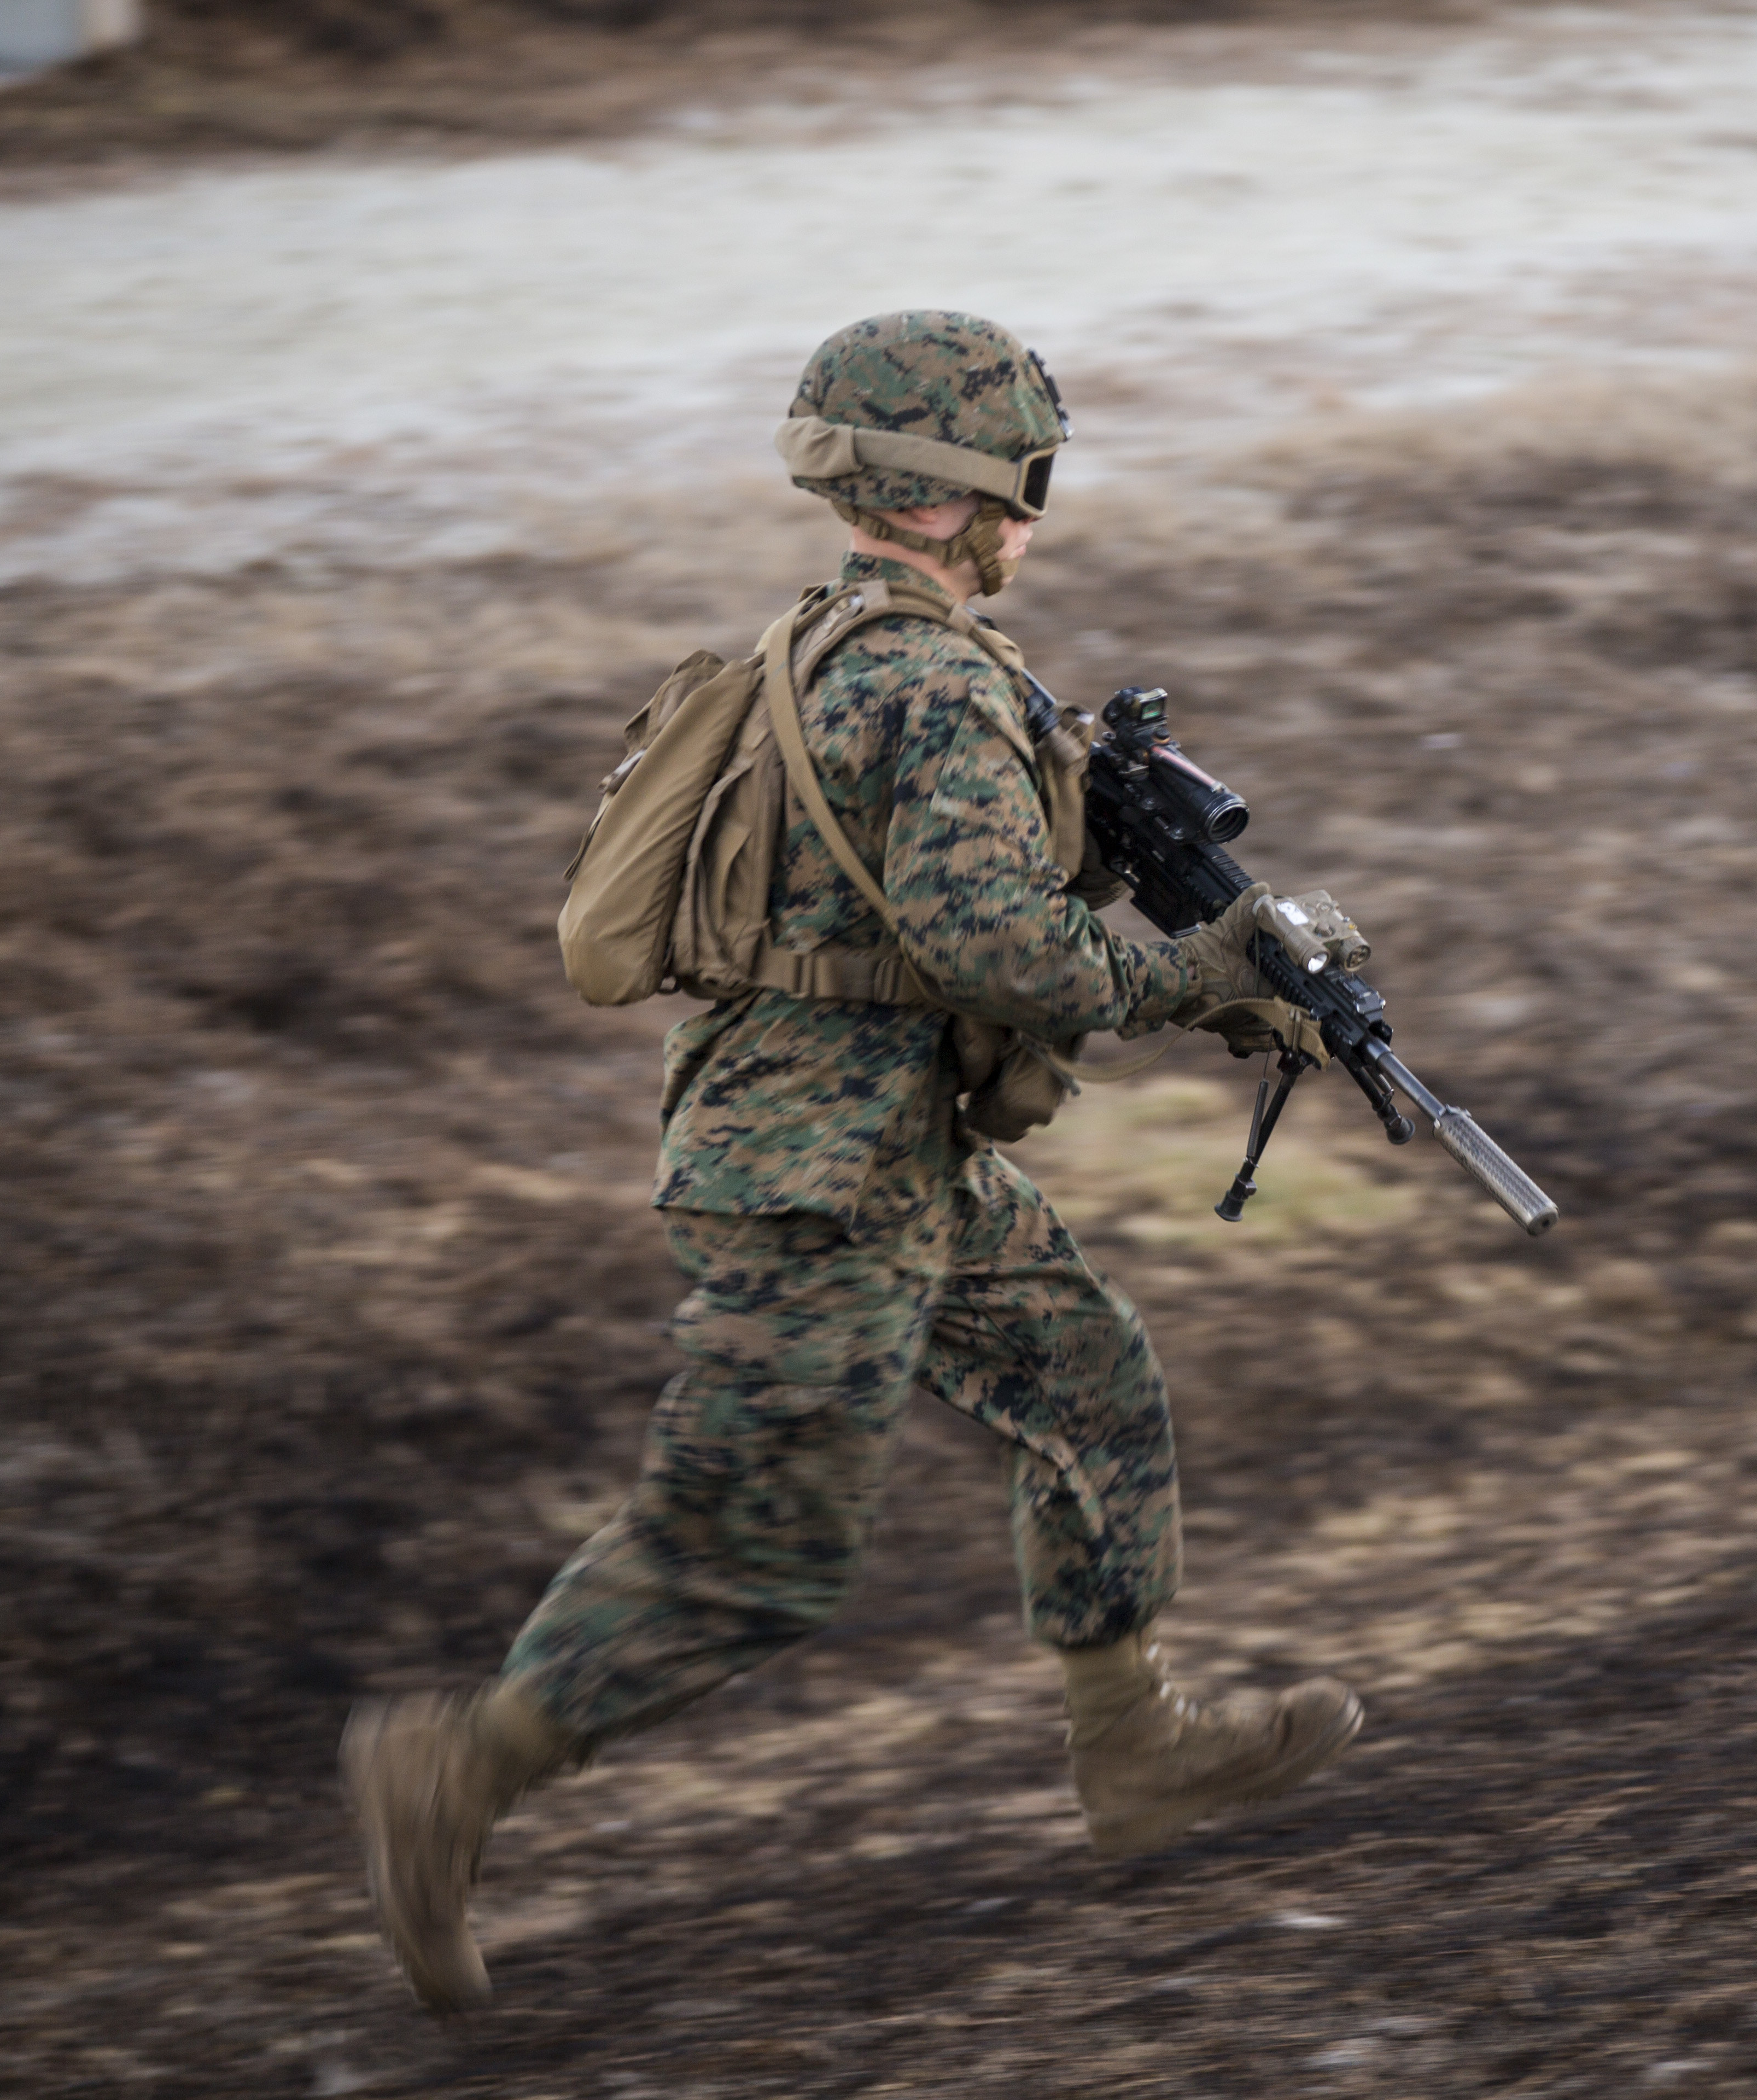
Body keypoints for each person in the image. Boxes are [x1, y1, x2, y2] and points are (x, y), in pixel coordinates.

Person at [341, 311, 1363, 2015]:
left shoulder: (827, 641)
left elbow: (921, 917)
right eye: (1028, 478)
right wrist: (1216, 981)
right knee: (746, 1555)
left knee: (1089, 1382)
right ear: (963, 489)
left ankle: (1135, 1751)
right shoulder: (936, 682)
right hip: (816, 1187)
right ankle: (457, 1771)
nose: (1038, 515)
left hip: (884, 1156)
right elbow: (1010, 960)